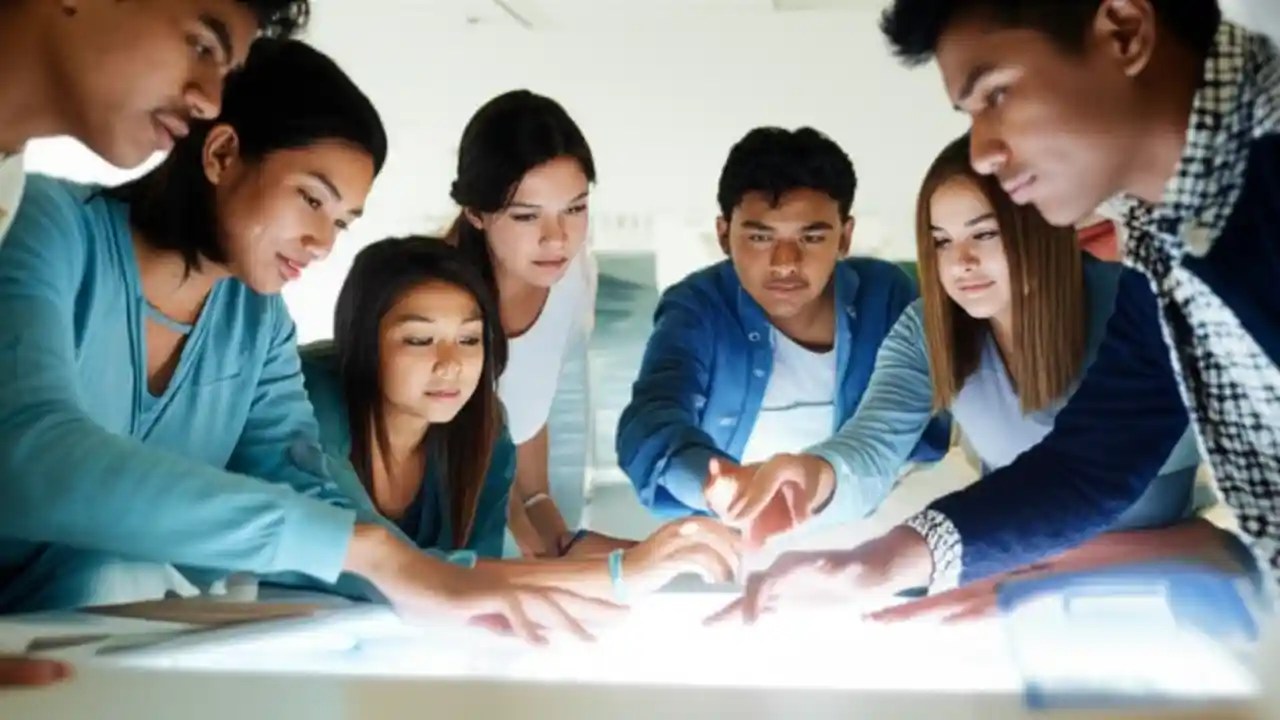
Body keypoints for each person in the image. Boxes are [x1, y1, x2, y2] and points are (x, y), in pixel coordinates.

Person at [0, 39, 616, 645]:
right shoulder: (43, 226)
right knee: (117, 573)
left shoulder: (258, 317)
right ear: (222, 154)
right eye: (311, 198)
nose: (322, 241)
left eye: (342, 221)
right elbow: (33, 455)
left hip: (87, 638)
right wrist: (372, 552)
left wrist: (444, 577)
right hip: (39, 619)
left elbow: (304, 480)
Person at [730, 0, 1280, 610]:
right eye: (941, 242)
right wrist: (880, 561)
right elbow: (1091, 465)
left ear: (1124, 31)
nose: (986, 150)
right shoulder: (1159, 246)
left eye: (995, 95)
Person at [298, 237, 741, 610]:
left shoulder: (482, 428)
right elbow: (380, 572)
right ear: (360, 341)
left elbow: (477, 575)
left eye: (469, 339)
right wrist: (620, 574)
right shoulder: (306, 402)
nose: (451, 365)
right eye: (419, 339)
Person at [617, 126, 949, 548]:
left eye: (811, 237)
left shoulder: (888, 296)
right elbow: (651, 418)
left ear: (845, 236)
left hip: (880, 535)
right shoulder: (697, 307)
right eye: (760, 237)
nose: (785, 263)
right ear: (724, 235)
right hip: (741, 540)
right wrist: (714, 482)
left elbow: (922, 433)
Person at [447, 89, 630, 559]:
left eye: (575, 208)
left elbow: (530, 407)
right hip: (446, 529)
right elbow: (463, 455)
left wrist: (544, 511)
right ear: (475, 213)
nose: (557, 237)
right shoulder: (443, 306)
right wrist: (530, 537)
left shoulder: (570, 277)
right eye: (527, 216)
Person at [0, 0, 310, 235]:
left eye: (225, 76)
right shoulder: (52, 230)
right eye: (204, 48)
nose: (211, 105)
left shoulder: (8, 188)